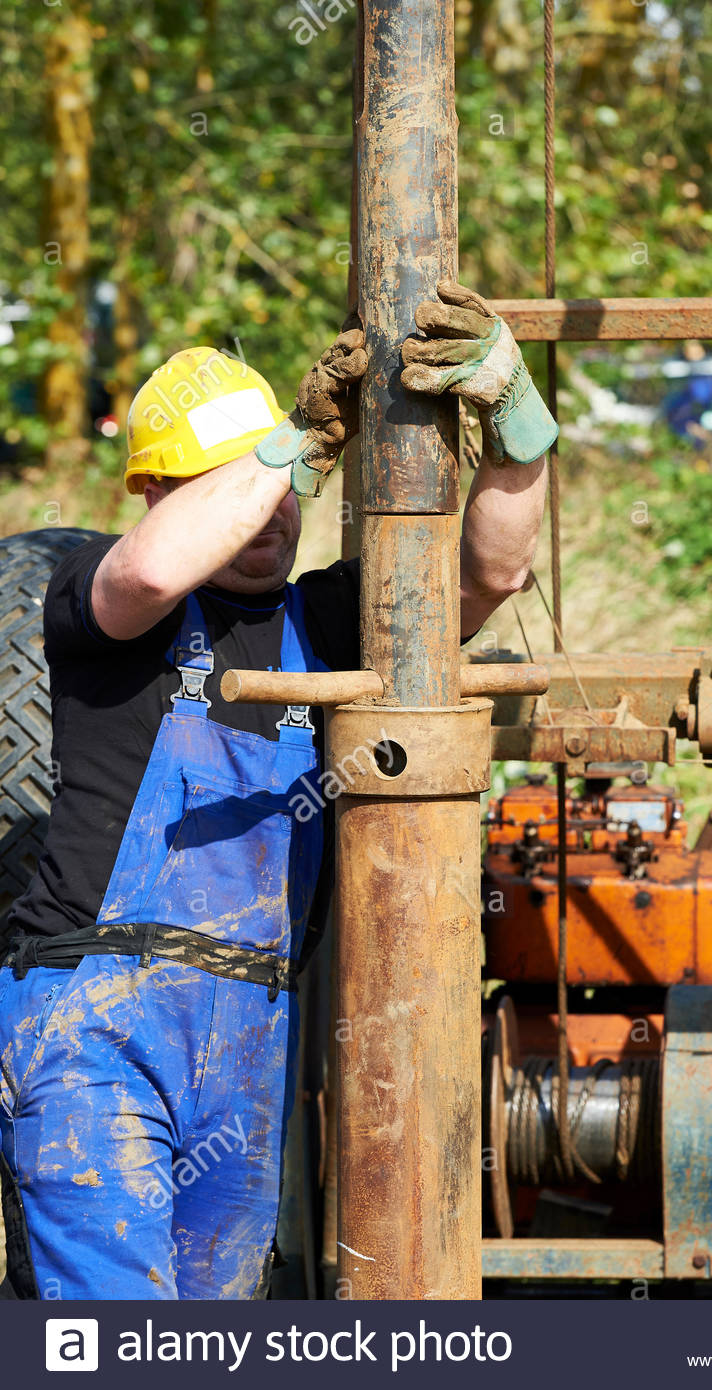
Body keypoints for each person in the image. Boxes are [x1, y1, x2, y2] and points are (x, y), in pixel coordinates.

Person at [0, 281, 555, 1300]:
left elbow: (487, 577)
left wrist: (517, 427)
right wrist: (288, 442)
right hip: (97, 1029)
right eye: (230, 477)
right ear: (157, 491)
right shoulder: (105, 597)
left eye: (286, 480)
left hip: (251, 1035)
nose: (273, 504)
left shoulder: (330, 621)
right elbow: (158, 569)